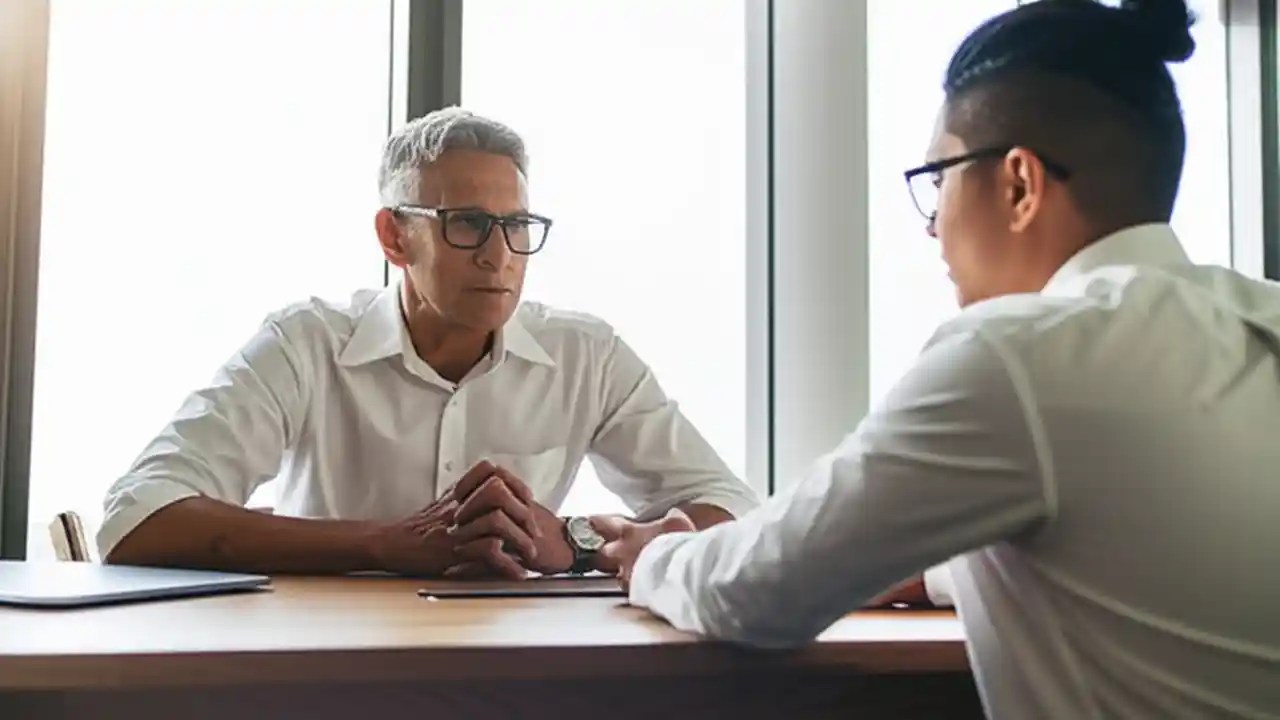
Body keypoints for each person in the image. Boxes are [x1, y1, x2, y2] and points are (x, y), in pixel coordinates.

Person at [596, 1, 1280, 717]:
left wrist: (653, 558)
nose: (932, 227)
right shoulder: (1257, 319)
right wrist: (938, 569)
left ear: (1018, 185)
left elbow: (753, 593)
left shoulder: (1018, 356)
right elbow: (1140, 547)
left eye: (939, 177)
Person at [99, 107, 758, 578]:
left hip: (517, 675)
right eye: (467, 224)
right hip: (323, 674)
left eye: (516, 225)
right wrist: (383, 544)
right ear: (394, 237)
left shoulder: (588, 355)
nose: (499, 256)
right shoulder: (304, 344)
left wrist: (578, 541)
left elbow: (734, 512)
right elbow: (137, 517)